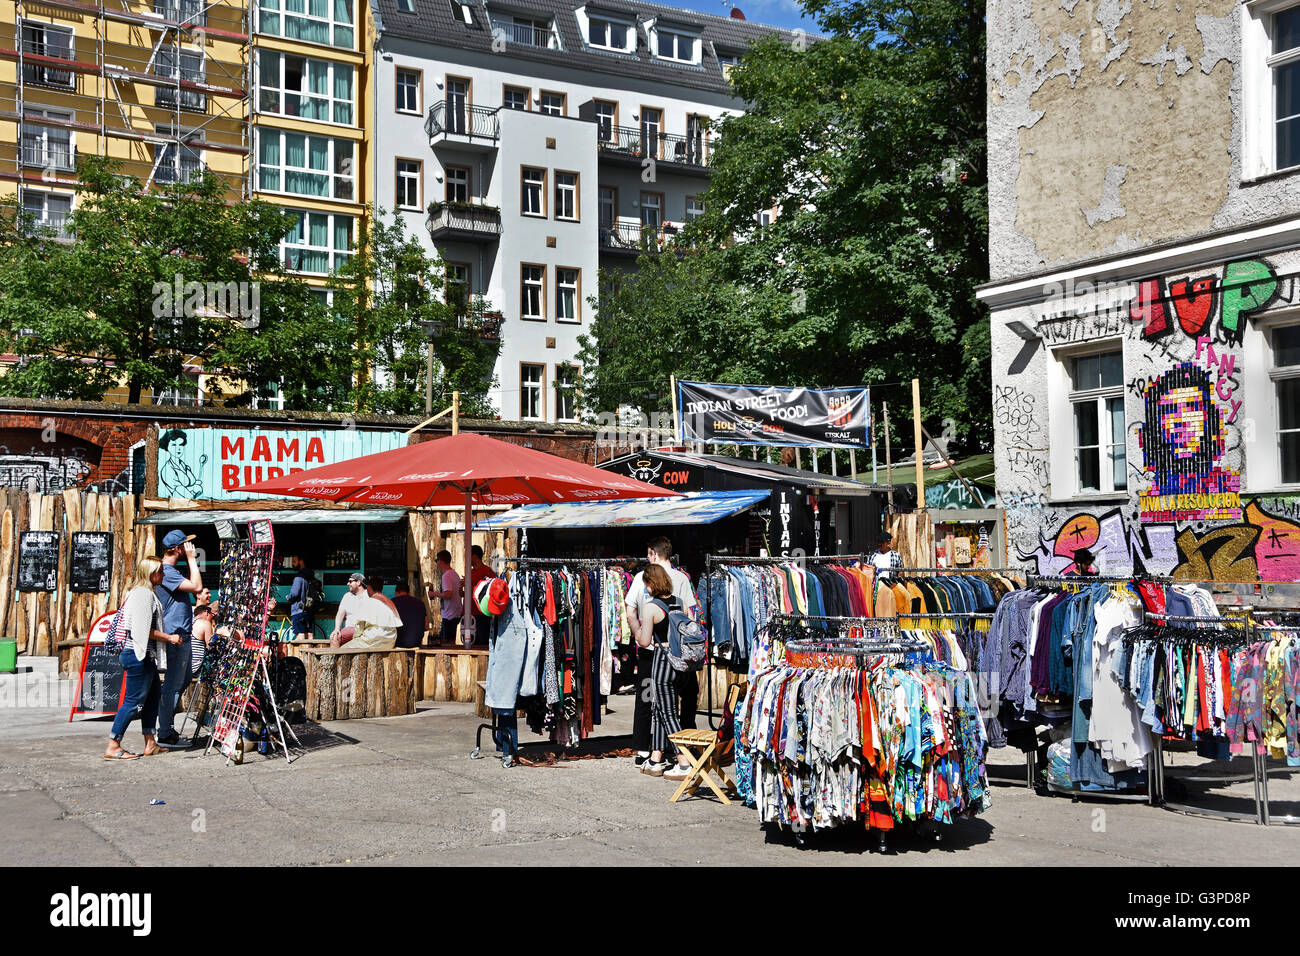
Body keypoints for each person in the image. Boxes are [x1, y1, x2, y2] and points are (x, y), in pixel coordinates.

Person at [624, 536, 700, 764]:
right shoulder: (682, 580)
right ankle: (682, 744)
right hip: (681, 653)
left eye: (648, 554)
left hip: (656, 654)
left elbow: (630, 610)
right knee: (685, 698)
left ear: (653, 555)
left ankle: (646, 749)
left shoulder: (640, 578)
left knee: (651, 699)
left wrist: (638, 631)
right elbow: (691, 616)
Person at [104, 556, 185, 760]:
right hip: (136, 654)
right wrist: (170, 637)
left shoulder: (146, 593)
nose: (163, 574)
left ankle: (150, 742)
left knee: (152, 698)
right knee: (133, 701)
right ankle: (114, 744)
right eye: (160, 571)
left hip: (143, 655)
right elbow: (141, 630)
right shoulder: (142, 594)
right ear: (150, 573)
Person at [633, 565, 691, 781]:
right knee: (660, 708)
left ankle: (684, 762)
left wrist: (636, 629)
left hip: (663, 661)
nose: (645, 588)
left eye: (646, 583)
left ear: (651, 583)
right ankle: (656, 759)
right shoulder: (679, 602)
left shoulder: (650, 607)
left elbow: (645, 641)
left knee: (668, 713)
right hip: (681, 662)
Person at [154, 529, 202, 749]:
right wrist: (193, 561)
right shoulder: (167, 570)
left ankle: (166, 727)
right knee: (172, 686)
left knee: (182, 682)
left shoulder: (172, 570)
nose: (188, 548)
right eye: (185, 545)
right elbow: (197, 587)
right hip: (176, 636)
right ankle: (164, 733)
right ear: (176, 549)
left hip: (183, 634)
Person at [431, 550, 463, 645]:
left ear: (440, 561)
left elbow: (448, 594)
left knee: (446, 644)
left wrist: (434, 594)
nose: (437, 563)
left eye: (437, 560)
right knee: (450, 641)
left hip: (449, 615)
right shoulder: (454, 574)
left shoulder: (446, 576)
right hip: (455, 612)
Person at [468, 545, 496, 647]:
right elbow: (463, 594)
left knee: (482, 644)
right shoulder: (470, 572)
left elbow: (489, 593)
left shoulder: (488, 572)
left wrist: (469, 585)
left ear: (474, 556)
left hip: (481, 614)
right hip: (468, 613)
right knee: (469, 643)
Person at [330, 573, 367, 648]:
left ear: (358, 582)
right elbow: (340, 613)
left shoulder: (369, 596)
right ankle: (334, 659)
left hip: (364, 629)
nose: (348, 584)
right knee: (335, 637)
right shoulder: (347, 596)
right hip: (350, 629)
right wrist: (336, 629)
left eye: (350, 581)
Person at [287, 556, 317, 640]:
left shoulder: (299, 577)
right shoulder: (311, 576)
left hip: (299, 610)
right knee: (310, 635)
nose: (292, 564)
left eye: (294, 561)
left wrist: (288, 597)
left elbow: (295, 594)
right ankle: (311, 653)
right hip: (309, 610)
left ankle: (302, 653)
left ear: (301, 561)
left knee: (301, 636)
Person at [391, 580, 428, 648]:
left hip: (398, 644)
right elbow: (426, 626)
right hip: (416, 643)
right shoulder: (420, 603)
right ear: (409, 592)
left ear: (396, 592)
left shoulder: (391, 603)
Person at [190, 602, 215, 676]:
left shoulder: (189, 622)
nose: (212, 619)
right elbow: (210, 646)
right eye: (212, 616)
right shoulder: (205, 623)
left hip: (184, 667)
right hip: (195, 668)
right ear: (206, 612)